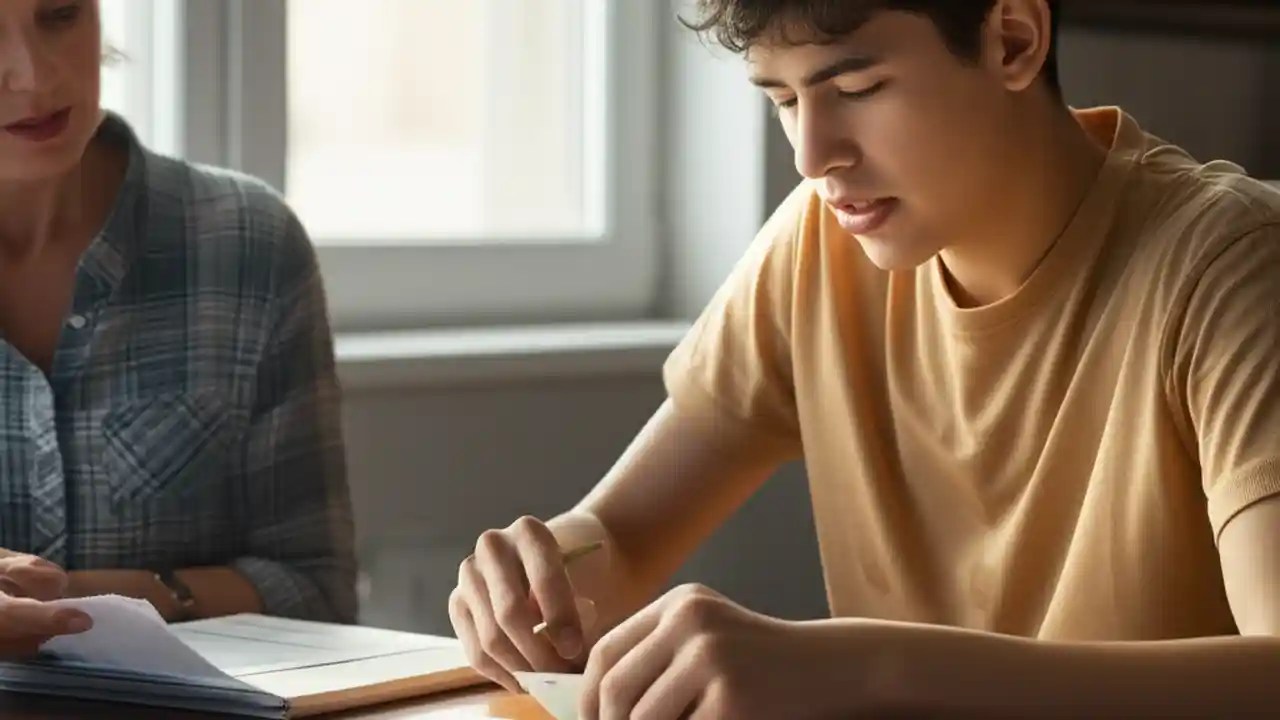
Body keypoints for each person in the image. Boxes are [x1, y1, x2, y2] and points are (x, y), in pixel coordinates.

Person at [449, 0, 1280, 716]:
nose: (813, 158)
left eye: (856, 90)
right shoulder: (818, 246)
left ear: (1014, 40)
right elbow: (619, 540)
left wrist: (869, 667)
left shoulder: (1230, 266)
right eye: (782, 99)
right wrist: (540, 582)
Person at [0, 0, 356, 658]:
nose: (34, 75)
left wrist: (66, 598)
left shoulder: (247, 243)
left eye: (59, 14)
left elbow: (317, 592)